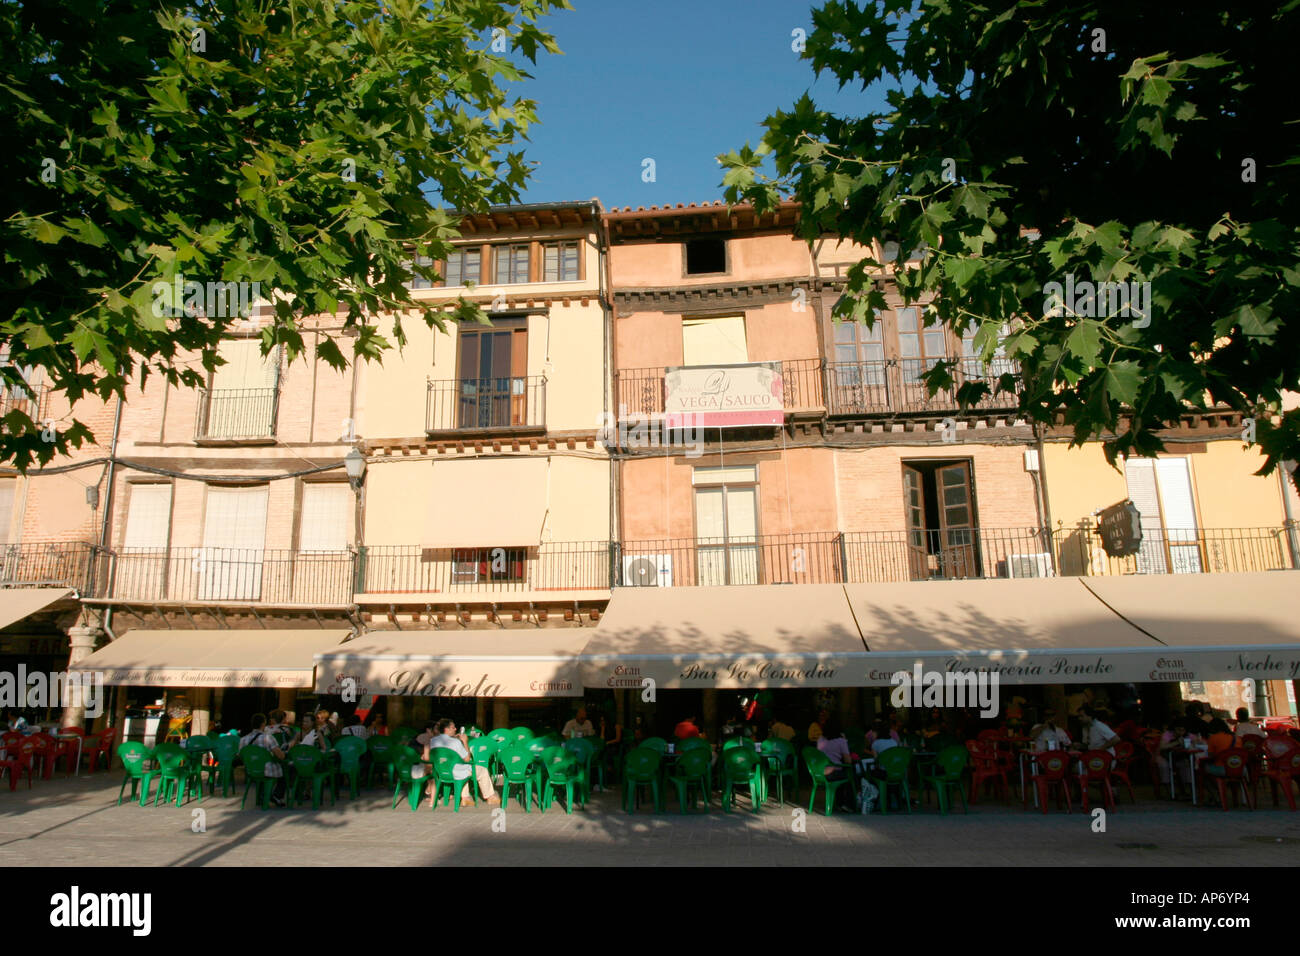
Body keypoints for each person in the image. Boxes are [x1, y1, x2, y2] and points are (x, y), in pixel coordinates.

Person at [424, 719, 494, 802]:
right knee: (481, 770)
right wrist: (465, 742)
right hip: (456, 772)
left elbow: (427, 757)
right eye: (453, 727)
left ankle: (465, 797)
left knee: (463, 767)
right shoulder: (456, 742)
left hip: (440, 771)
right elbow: (467, 759)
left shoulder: (433, 741)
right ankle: (490, 797)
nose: (455, 729)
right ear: (446, 729)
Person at [241, 713, 287, 804]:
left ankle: (262, 796)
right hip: (267, 770)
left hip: (251, 770)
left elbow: (241, 755)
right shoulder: (268, 738)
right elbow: (280, 756)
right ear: (263, 724)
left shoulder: (243, 739)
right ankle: (276, 795)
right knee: (284, 771)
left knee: (262, 768)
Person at [816, 717, 856, 810]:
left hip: (820, 772)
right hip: (833, 772)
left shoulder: (820, 739)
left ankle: (839, 803)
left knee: (841, 774)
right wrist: (845, 740)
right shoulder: (841, 741)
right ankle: (848, 804)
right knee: (850, 775)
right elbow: (848, 761)